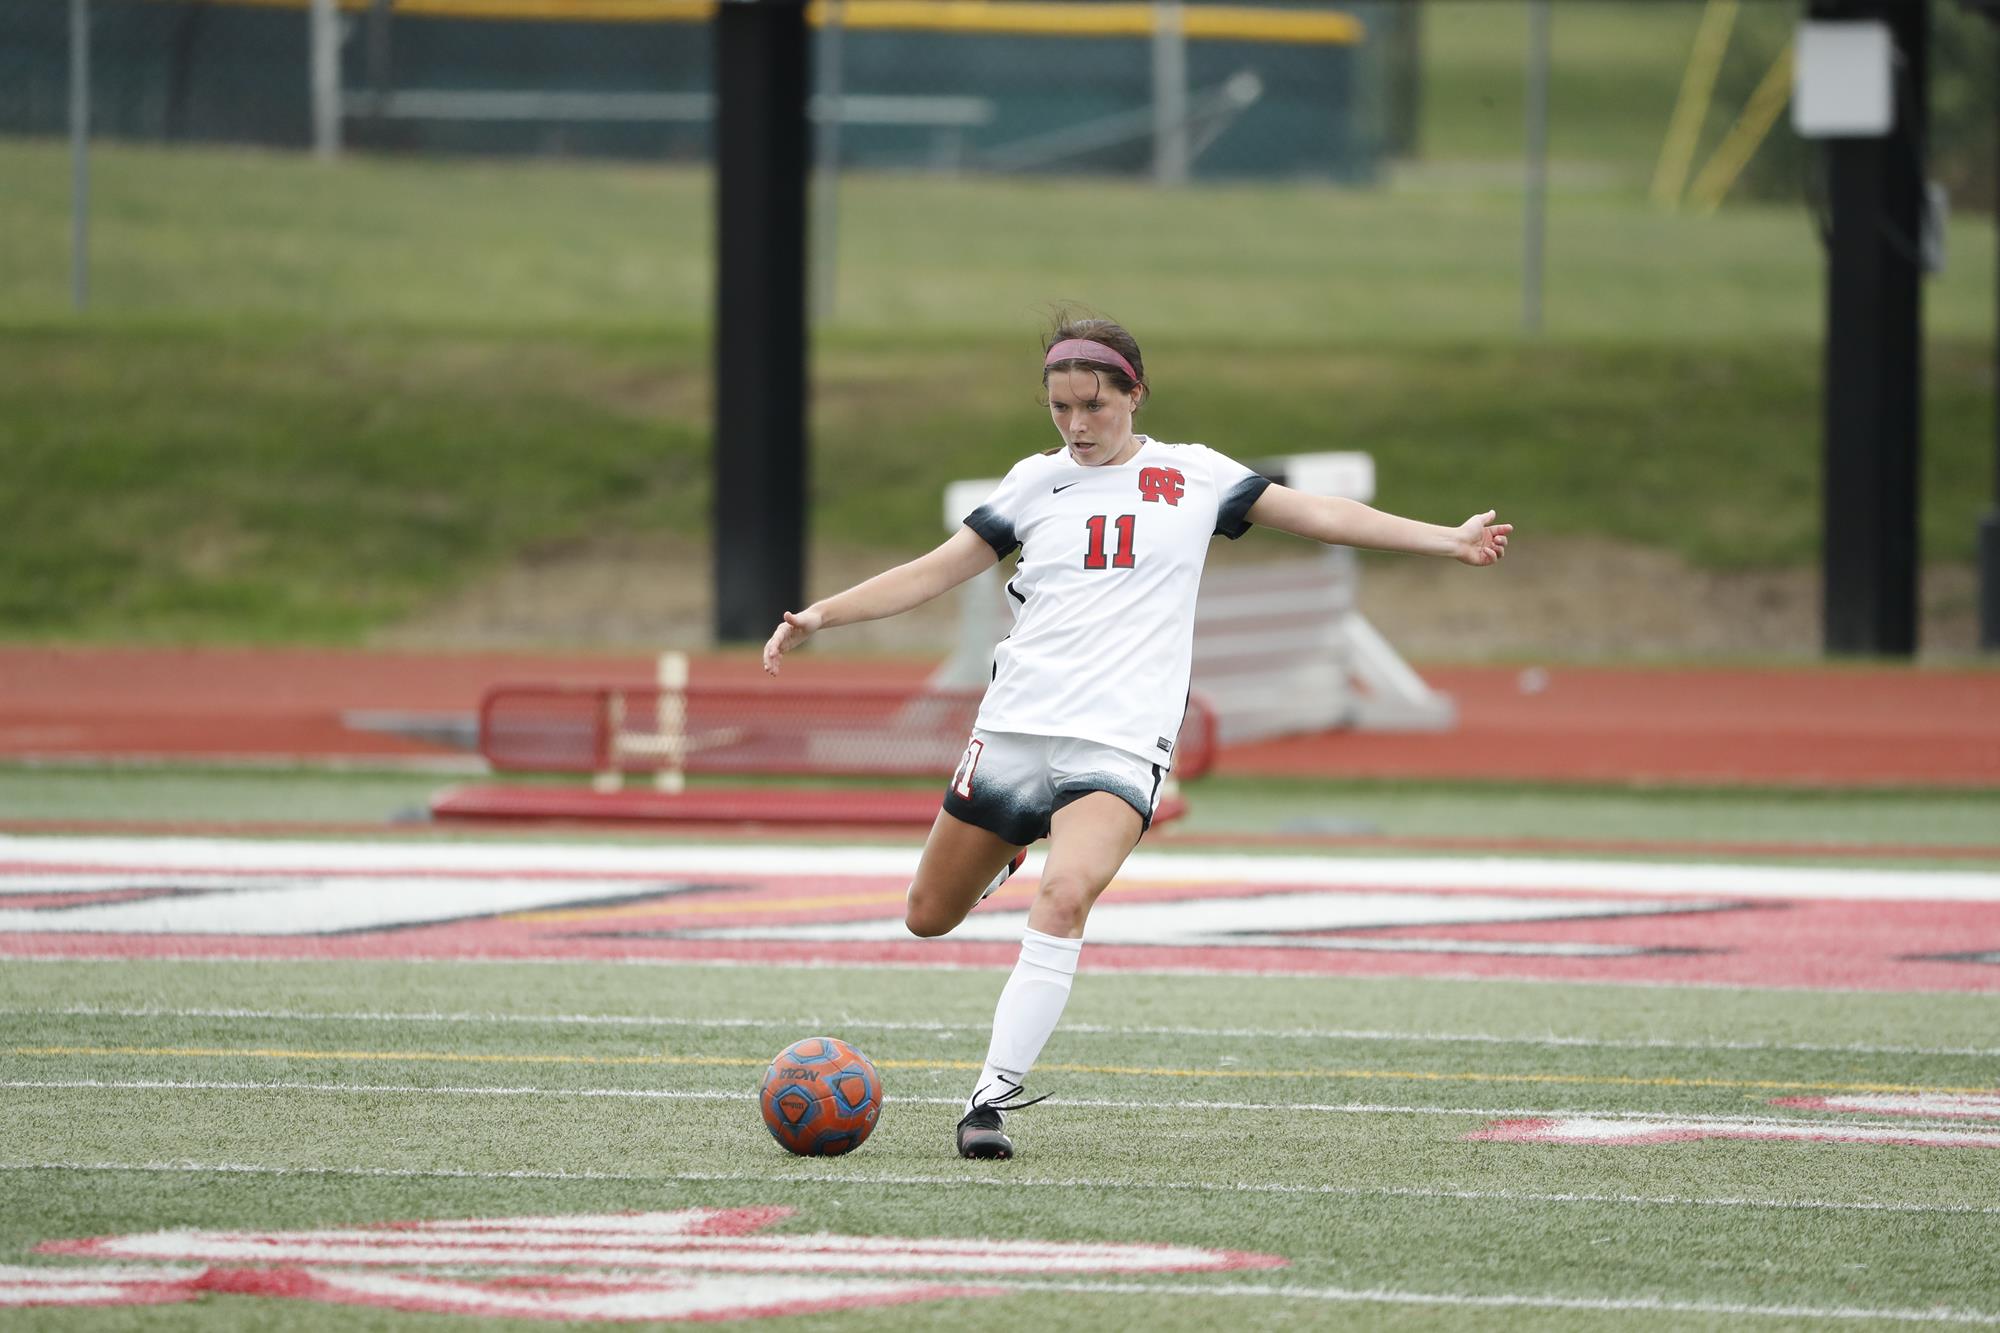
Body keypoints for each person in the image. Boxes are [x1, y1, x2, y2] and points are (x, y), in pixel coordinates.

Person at [762, 317, 1510, 1160]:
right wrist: (822, 612)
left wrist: (1444, 538)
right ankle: (1009, 846)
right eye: (1059, 407)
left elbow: (1323, 513)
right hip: (1015, 731)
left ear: (1133, 395)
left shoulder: (1193, 474)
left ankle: (988, 1101)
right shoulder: (1034, 483)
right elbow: (934, 570)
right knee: (926, 917)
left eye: (1093, 405)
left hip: (1120, 745)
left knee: (1066, 895)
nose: (1077, 425)